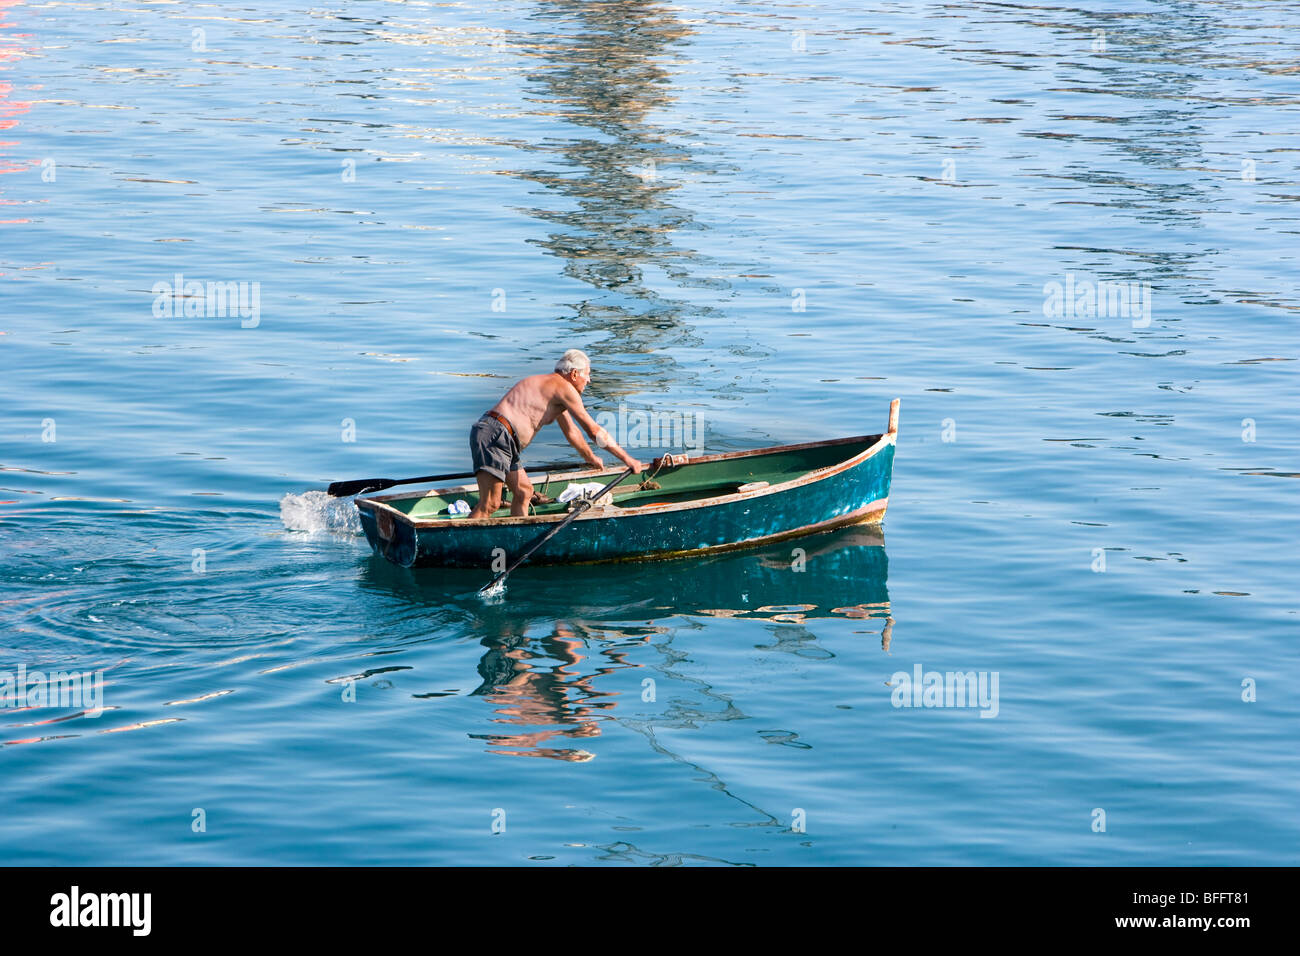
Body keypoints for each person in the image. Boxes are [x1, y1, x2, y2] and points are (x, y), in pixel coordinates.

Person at [468, 349, 643, 518]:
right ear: (574, 374)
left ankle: (519, 538)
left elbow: (572, 431)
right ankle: (464, 546)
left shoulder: (554, 389)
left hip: (502, 438)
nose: (589, 380)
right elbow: (594, 431)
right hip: (497, 435)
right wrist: (628, 459)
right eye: (587, 374)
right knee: (490, 504)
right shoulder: (564, 388)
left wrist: (589, 457)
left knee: (524, 492)